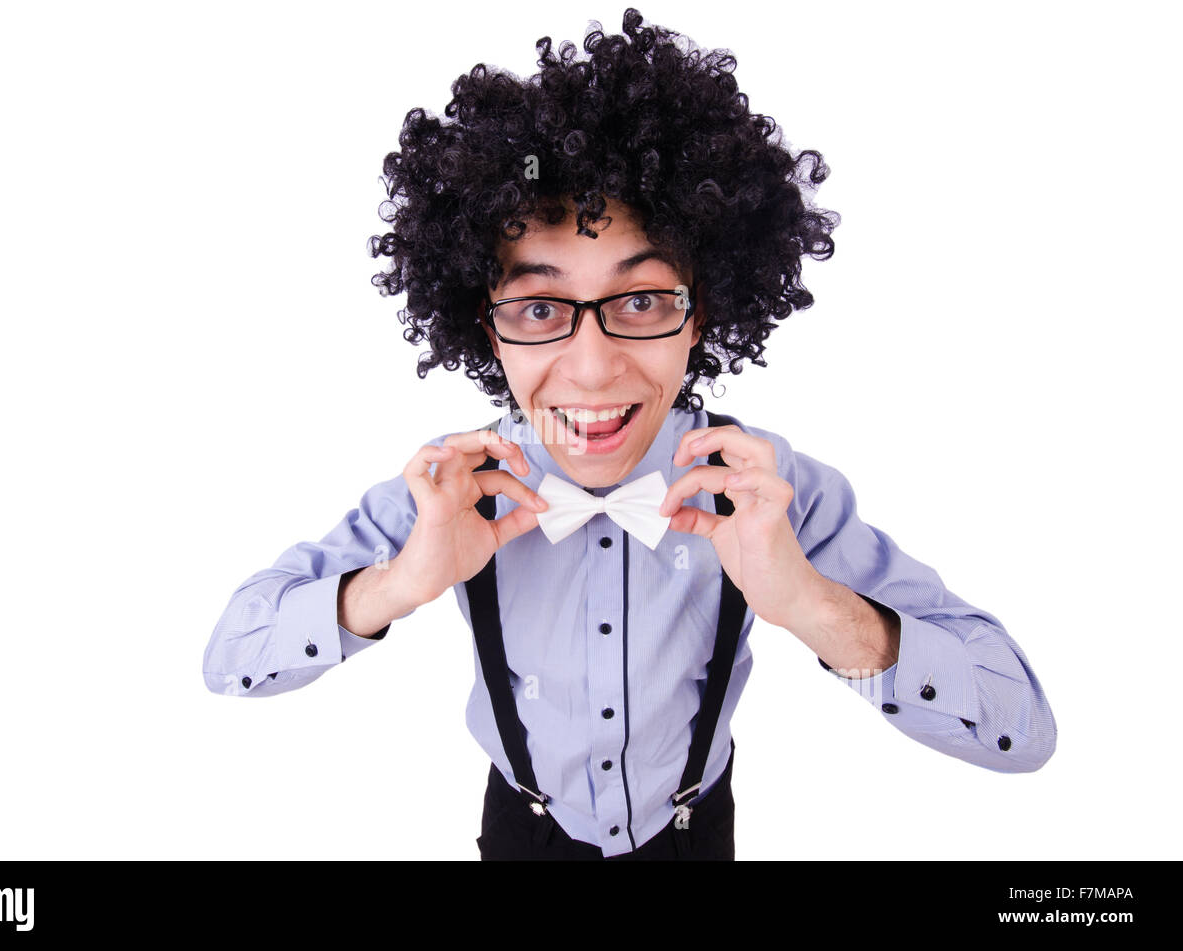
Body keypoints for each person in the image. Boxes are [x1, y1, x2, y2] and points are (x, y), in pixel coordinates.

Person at [202, 8, 1057, 860]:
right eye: (539, 308)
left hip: (695, 836)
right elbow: (231, 655)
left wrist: (811, 605)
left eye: (640, 300)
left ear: (701, 316)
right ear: (488, 329)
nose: (591, 367)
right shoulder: (449, 489)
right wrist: (395, 584)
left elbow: (1022, 726)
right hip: (521, 833)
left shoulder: (772, 488)